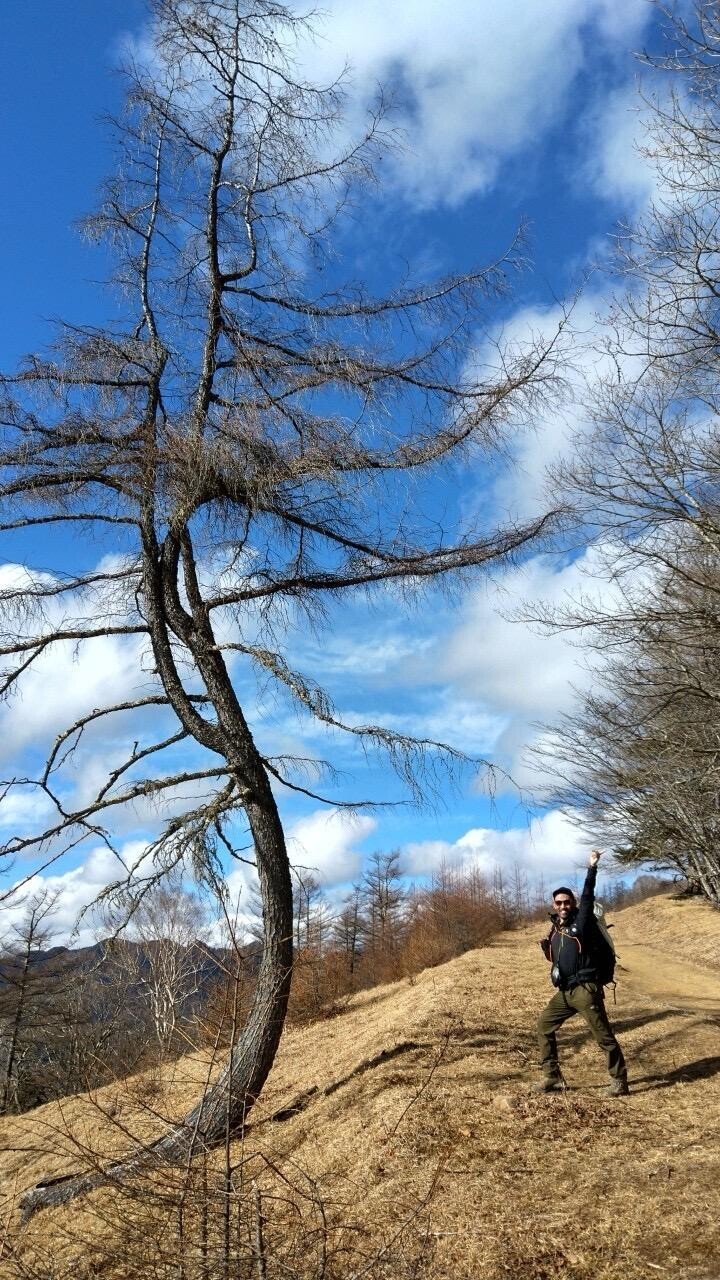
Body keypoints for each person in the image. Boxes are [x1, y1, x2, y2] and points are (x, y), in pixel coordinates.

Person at [535, 849, 628, 1097]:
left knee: (603, 1036)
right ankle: (552, 1077)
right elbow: (558, 959)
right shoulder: (555, 928)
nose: (563, 906)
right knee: (544, 1026)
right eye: (559, 903)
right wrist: (547, 949)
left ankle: (619, 1080)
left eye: (567, 902)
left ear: (573, 904)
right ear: (554, 905)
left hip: (585, 990)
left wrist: (592, 867)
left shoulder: (582, 921)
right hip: (564, 991)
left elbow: (588, 896)